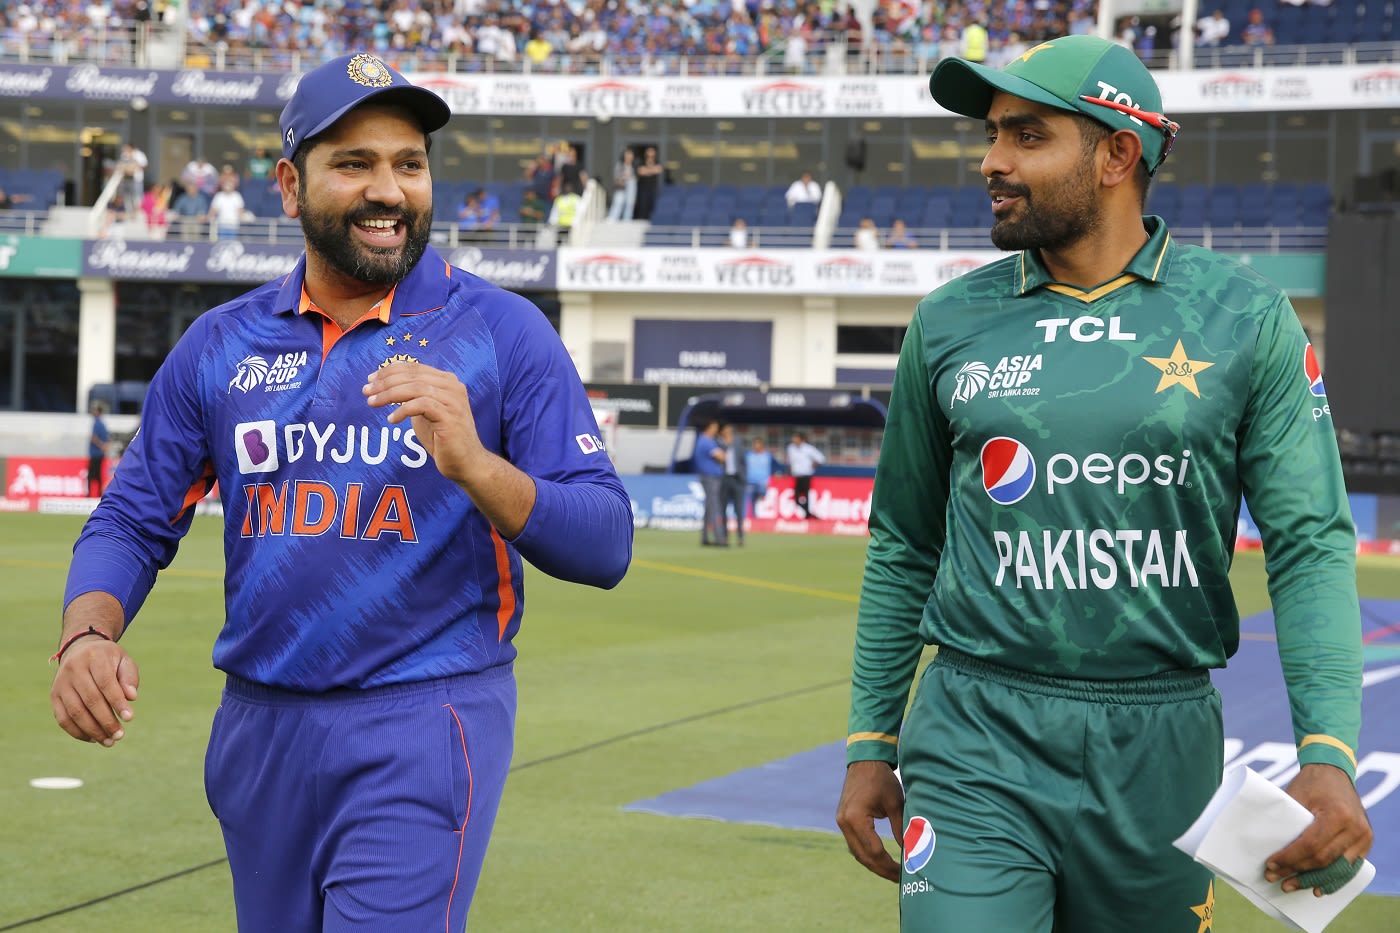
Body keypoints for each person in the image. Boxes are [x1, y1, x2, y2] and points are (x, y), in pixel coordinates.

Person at [48, 52, 632, 933]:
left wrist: (477, 464)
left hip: (424, 716)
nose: (388, 190)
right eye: (354, 163)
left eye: (409, 163)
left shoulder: (504, 333)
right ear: (290, 185)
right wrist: (87, 633)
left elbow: (606, 542)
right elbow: (132, 518)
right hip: (258, 728)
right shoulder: (220, 344)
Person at [835, 34, 1372, 931]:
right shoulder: (948, 321)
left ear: (1118, 154)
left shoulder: (1247, 318)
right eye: (992, 134)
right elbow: (903, 543)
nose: (992, 161)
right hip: (974, 733)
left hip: (1162, 746)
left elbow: (1310, 542)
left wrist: (1328, 750)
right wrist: (869, 739)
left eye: (1027, 135)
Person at [694, 419, 726, 546]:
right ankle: (719, 538)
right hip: (710, 477)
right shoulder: (707, 441)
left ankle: (705, 537)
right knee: (714, 506)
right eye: (714, 427)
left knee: (709, 507)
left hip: (707, 476)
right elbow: (721, 457)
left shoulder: (702, 440)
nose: (716, 430)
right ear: (709, 427)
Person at [719, 423, 747, 546]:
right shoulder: (719, 443)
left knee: (738, 509)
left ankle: (740, 536)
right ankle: (724, 536)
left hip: (737, 479)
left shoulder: (738, 443)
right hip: (724, 479)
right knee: (723, 509)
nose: (728, 432)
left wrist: (743, 477)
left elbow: (743, 461)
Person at [785, 431, 823, 519]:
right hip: (797, 476)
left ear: (801, 439)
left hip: (806, 476)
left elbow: (821, 458)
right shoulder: (791, 448)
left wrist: (813, 465)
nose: (794, 440)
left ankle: (807, 515)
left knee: (806, 496)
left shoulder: (808, 448)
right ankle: (808, 513)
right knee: (796, 499)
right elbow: (790, 462)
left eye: (796, 438)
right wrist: (788, 471)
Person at [207, 176, 246, 240]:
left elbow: (240, 210)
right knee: (222, 242)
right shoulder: (219, 196)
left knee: (232, 242)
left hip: (233, 225)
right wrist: (209, 217)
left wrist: (243, 218)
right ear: (222, 186)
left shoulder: (237, 196)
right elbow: (213, 209)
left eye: (230, 184)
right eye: (226, 184)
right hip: (222, 224)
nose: (228, 186)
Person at [115, 143, 147, 221]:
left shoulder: (139, 154)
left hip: (136, 179)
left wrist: (132, 166)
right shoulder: (124, 155)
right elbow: (121, 165)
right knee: (127, 197)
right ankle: (129, 212)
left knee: (136, 197)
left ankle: (136, 212)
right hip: (126, 179)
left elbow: (143, 165)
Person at [744, 436, 774, 517]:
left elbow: (775, 466)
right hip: (750, 482)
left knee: (761, 500)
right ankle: (753, 517)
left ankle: (762, 516)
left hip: (762, 483)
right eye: (755, 444)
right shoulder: (748, 455)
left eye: (758, 444)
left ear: (762, 445)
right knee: (750, 501)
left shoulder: (767, 456)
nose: (756, 446)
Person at [633, 146, 663, 221]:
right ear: (646, 154)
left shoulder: (657, 162)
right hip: (643, 188)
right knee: (643, 205)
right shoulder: (641, 162)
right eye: (649, 154)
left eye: (652, 154)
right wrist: (652, 170)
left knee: (653, 205)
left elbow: (658, 170)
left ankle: (652, 221)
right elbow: (641, 171)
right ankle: (641, 221)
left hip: (653, 188)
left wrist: (647, 170)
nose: (650, 156)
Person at [87, 401, 110, 497]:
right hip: (99, 453)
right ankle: (99, 494)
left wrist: (101, 446)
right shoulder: (102, 424)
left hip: (96, 453)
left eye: (94, 410)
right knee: (98, 475)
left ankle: (90, 494)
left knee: (91, 475)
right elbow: (107, 438)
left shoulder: (97, 423)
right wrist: (105, 446)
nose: (93, 412)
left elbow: (94, 438)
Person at [607, 147, 636, 222]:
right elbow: (616, 177)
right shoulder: (620, 165)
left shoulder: (634, 166)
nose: (629, 157)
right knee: (618, 202)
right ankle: (612, 218)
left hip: (631, 188)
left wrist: (630, 177)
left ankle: (627, 219)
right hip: (621, 187)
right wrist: (625, 177)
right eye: (628, 155)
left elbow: (636, 178)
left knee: (630, 203)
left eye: (631, 155)